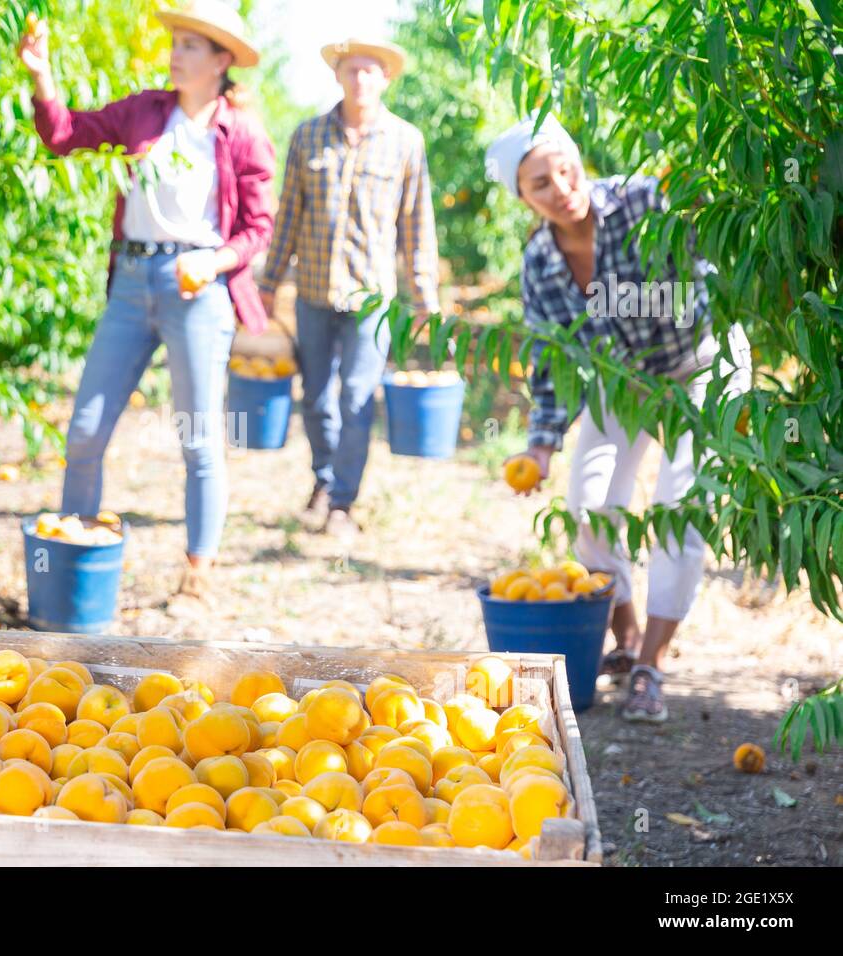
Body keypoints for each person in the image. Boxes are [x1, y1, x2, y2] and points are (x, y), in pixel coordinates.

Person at [487, 115, 752, 723]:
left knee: (678, 507)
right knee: (589, 502)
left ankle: (653, 667)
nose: (561, 187)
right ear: (523, 199)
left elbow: (712, 222)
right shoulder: (540, 263)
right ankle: (626, 641)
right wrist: (542, 446)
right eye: (540, 184)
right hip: (627, 379)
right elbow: (551, 360)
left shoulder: (639, 200)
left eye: (564, 168)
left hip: (701, 365)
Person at [20, 0, 275, 605]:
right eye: (176, 42)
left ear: (221, 61)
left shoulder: (240, 132)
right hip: (133, 281)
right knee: (84, 428)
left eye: (190, 45)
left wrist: (211, 261)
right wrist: (41, 77)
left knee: (198, 434)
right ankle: (76, 553)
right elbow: (64, 136)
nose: (176, 53)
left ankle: (199, 570)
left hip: (198, 289)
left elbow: (257, 230)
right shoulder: (144, 112)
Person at [259, 37, 440, 539]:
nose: (360, 79)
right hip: (315, 289)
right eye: (352, 70)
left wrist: (425, 297)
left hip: (371, 298)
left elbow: (416, 225)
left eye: (370, 71)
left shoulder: (406, 141)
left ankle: (342, 501)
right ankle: (322, 480)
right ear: (338, 76)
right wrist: (269, 282)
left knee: (357, 396)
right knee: (315, 395)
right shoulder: (308, 136)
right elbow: (288, 215)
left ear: (385, 79)